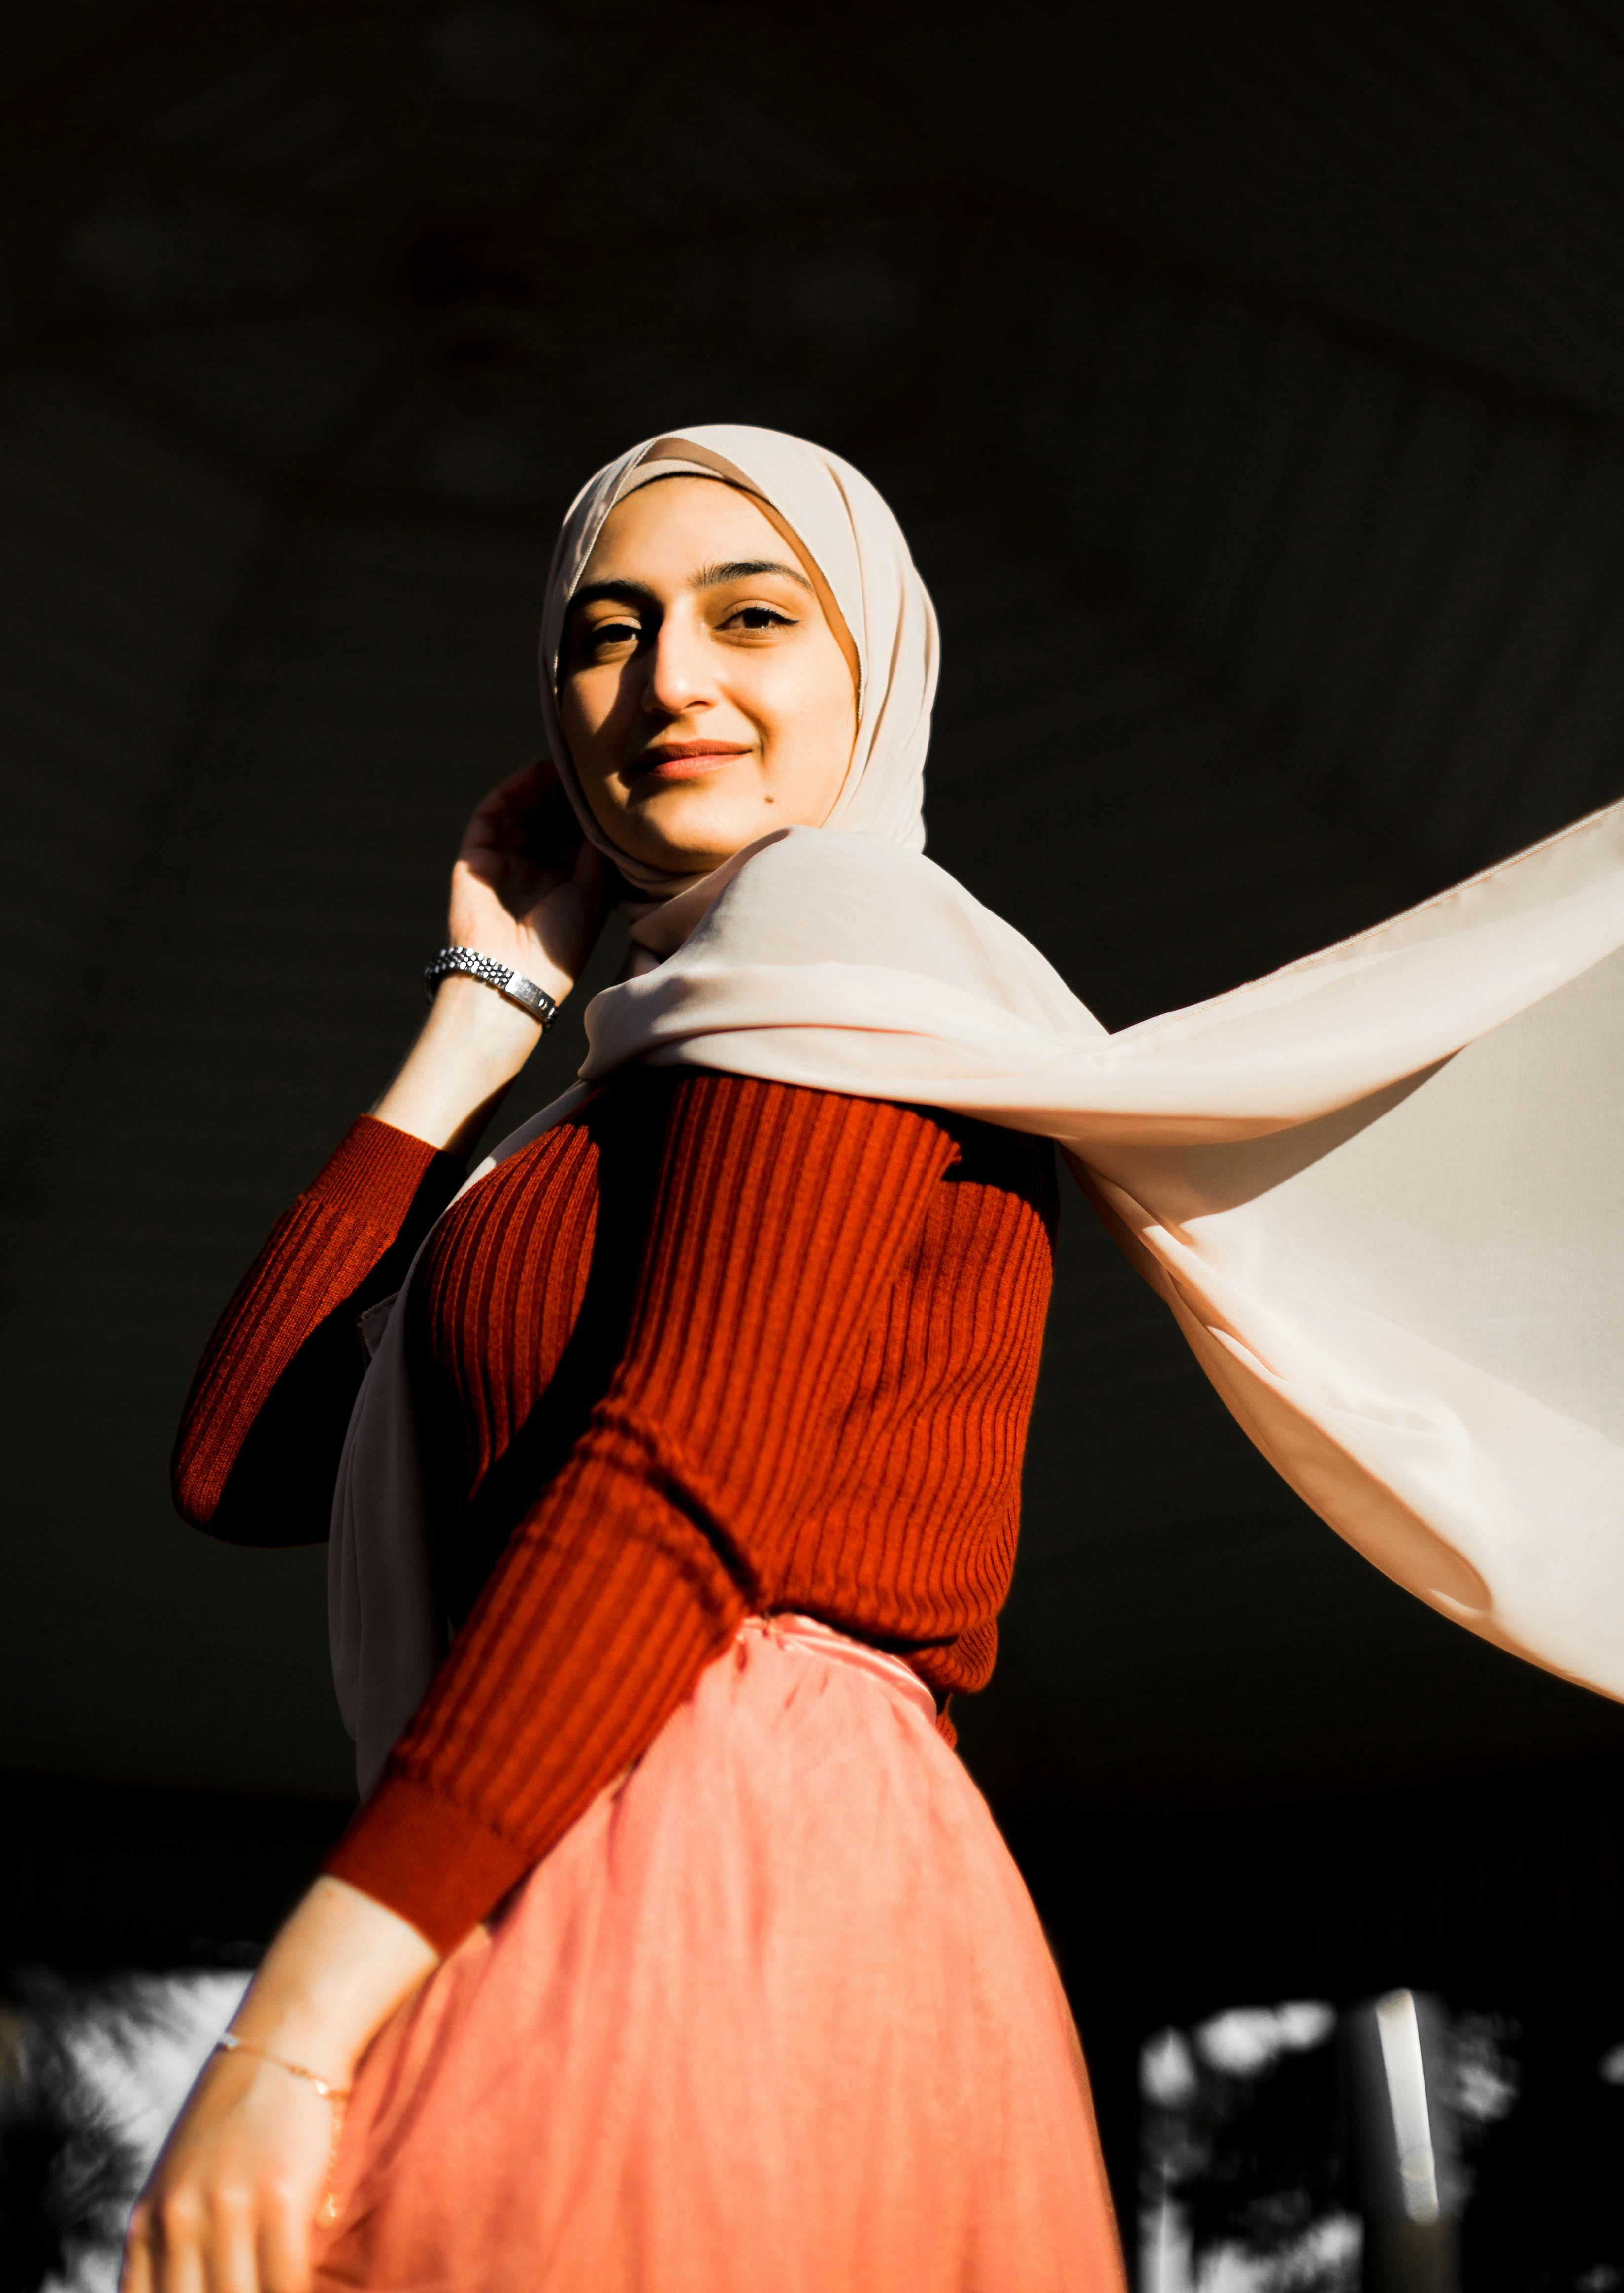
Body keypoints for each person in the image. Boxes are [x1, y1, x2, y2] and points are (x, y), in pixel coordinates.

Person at [127, 426, 1624, 2293]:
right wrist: (480, 1013)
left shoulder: (841, 930)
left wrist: (287, 2031)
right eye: (605, 635)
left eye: (753, 617)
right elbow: (246, 1466)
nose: (667, 681)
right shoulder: (633, 1078)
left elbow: (668, 1486)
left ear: (878, 668)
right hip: (581, 1836)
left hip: (702, 1854)